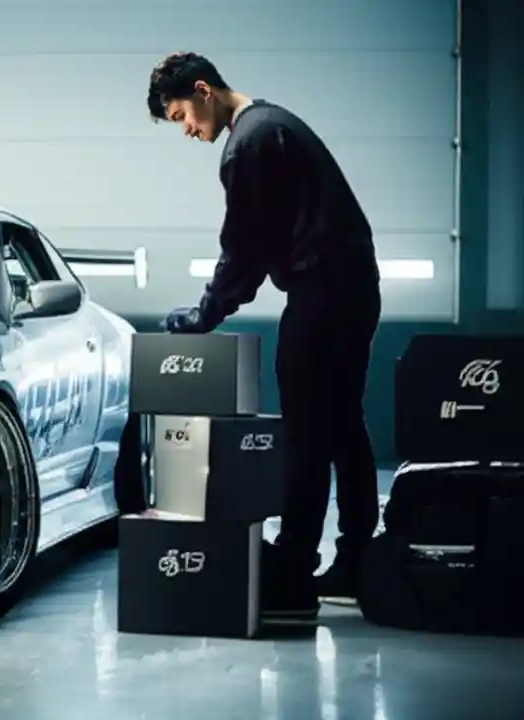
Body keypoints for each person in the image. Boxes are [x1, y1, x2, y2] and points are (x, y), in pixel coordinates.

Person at [145, 52, 382, 619]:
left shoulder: (249, 143)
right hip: (349, 287)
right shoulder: (274, 123)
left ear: (203, 90)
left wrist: (205, 314)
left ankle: (294, 570)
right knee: (344, 428)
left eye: (182, 116)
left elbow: (244, 248)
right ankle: (355, 563)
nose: (187, 131)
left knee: (306, 433)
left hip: (322, 293)